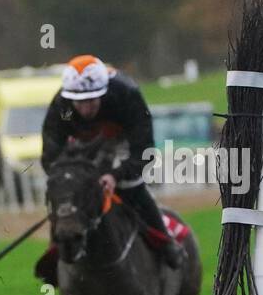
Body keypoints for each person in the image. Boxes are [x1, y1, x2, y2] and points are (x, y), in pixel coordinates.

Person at [40, 54, 183, 268]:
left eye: (91, 101)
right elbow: (50, 156)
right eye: (78, 103)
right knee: (67, 193)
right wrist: (74, 178)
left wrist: (115, 175)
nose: (85, 109)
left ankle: (165, 242)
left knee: (131, 186)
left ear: (103, 93)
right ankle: (58, 249)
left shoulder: (126, 94)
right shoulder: (61, 104)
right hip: (84, 149)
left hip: (123, 142)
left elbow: (144, 150)